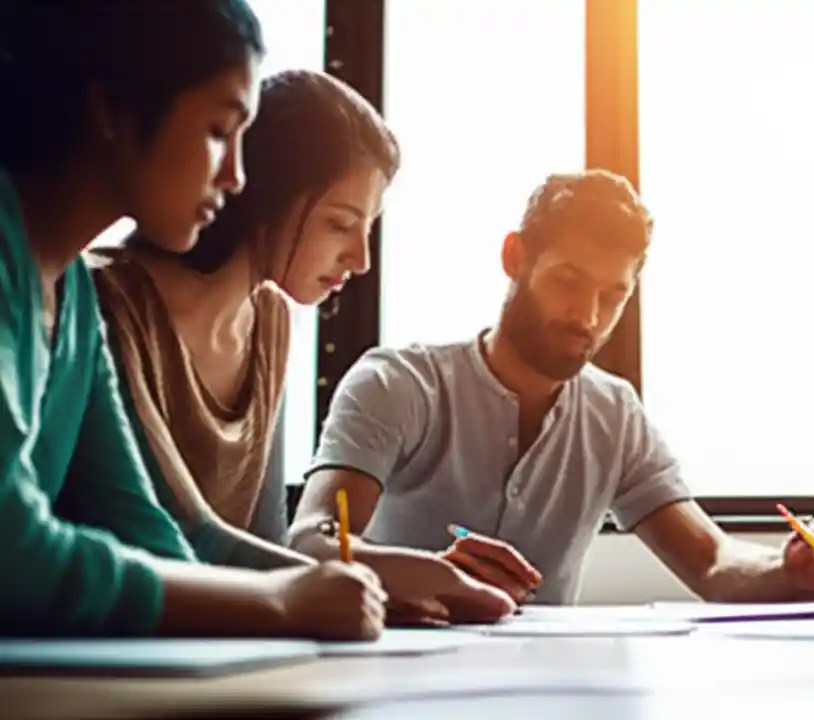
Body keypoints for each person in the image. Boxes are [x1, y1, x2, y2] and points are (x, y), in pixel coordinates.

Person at [288, 170, 814, 609]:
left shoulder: (613, 413)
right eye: (568, 282)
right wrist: (429, 575)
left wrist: (794, 569)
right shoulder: (397, 384)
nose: (587, 317)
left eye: (613, 295)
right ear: (515, 258)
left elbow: (713, 561)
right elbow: (313, 542)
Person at [0, 0, 384, 638]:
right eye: (217, 130)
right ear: (111, 108)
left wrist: (319, 599)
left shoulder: (74, 301)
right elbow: (13, 551)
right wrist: (279, 604)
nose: (236, 176)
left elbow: (145, 529)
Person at [86, 69, 511, 623]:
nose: (360, 259)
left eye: (368, 230)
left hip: (223, 640)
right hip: (118, 632)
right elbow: (171, 529)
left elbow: (261, 538)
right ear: (265, 194)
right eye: (340, 224)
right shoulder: (107, 300)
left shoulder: (270, 321)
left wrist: (390, 583)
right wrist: (341, 587)